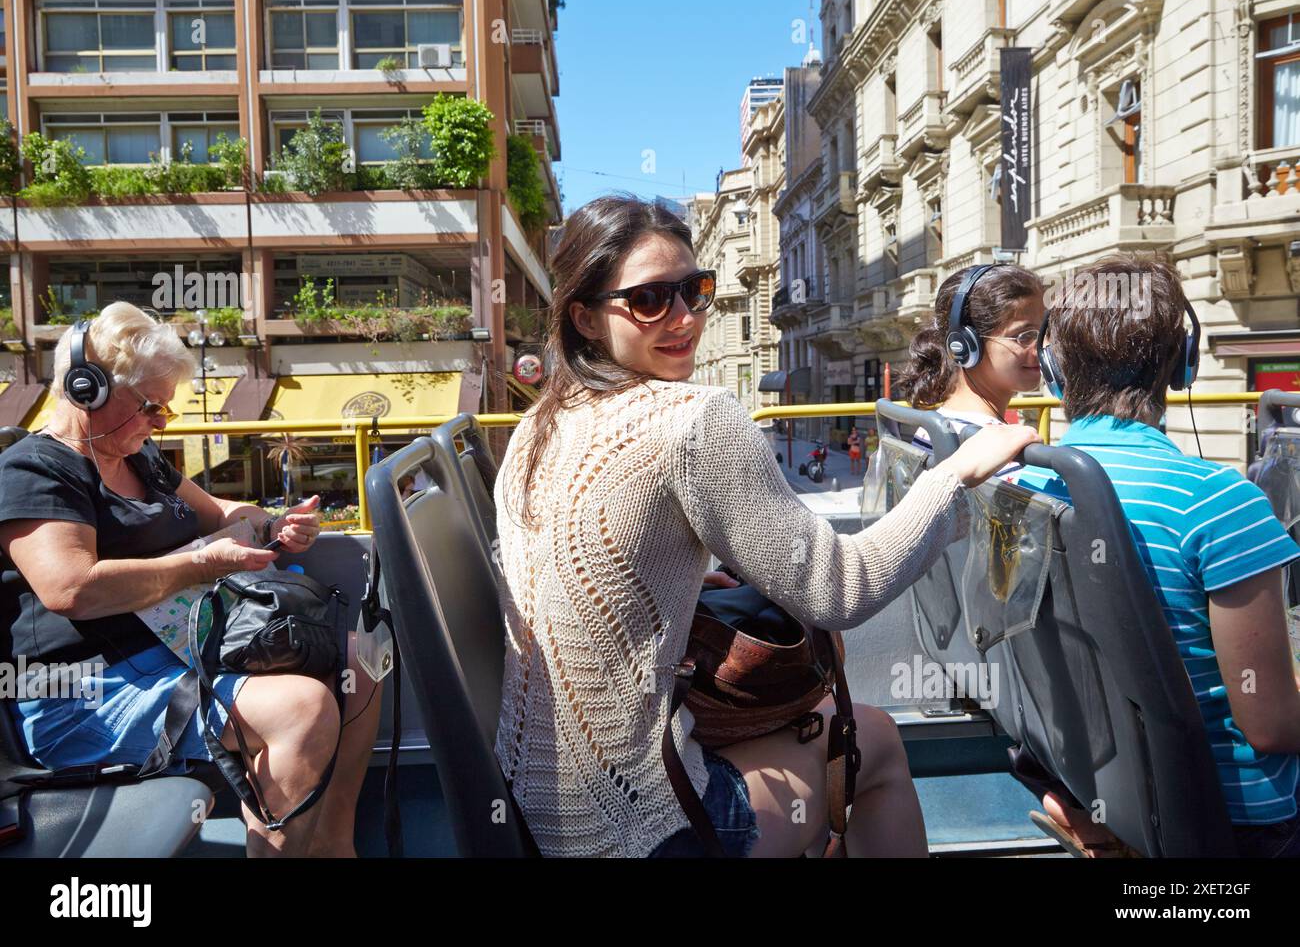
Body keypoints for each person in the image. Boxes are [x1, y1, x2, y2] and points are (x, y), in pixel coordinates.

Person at [492, 194, 1038, 858]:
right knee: (879, 744)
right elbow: (841, 590)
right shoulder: (694, 419)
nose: (684, 317)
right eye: (649, 300)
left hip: (533, 808)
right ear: (583, 316)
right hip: (640, 831)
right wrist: (952, 479)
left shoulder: (532, 428)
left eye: (695, 290)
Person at [0, 302, 381, 857]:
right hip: (82, 694)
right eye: (151, 407)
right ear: (89, 392)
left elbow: (220, 513)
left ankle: (332, 846)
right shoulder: (34, 470)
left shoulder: (140, 458)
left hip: (173, 652)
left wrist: (273, 524)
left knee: (359, 663)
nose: (162, 422)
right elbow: (72, 589)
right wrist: (202, 565)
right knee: (302, 708)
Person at [1015, 257, 1300, 857]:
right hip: (1239, 823)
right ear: (1184, 364)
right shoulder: (1221, 504)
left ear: (1053, 370)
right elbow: (1270, 725)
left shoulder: (1024, 491)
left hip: (1105, 790)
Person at [895, 263, 1046, 482]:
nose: (1041, 347)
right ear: (965, 345)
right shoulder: (999, 455)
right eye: (1023, 336)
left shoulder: (940, 425)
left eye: (1044, 333)